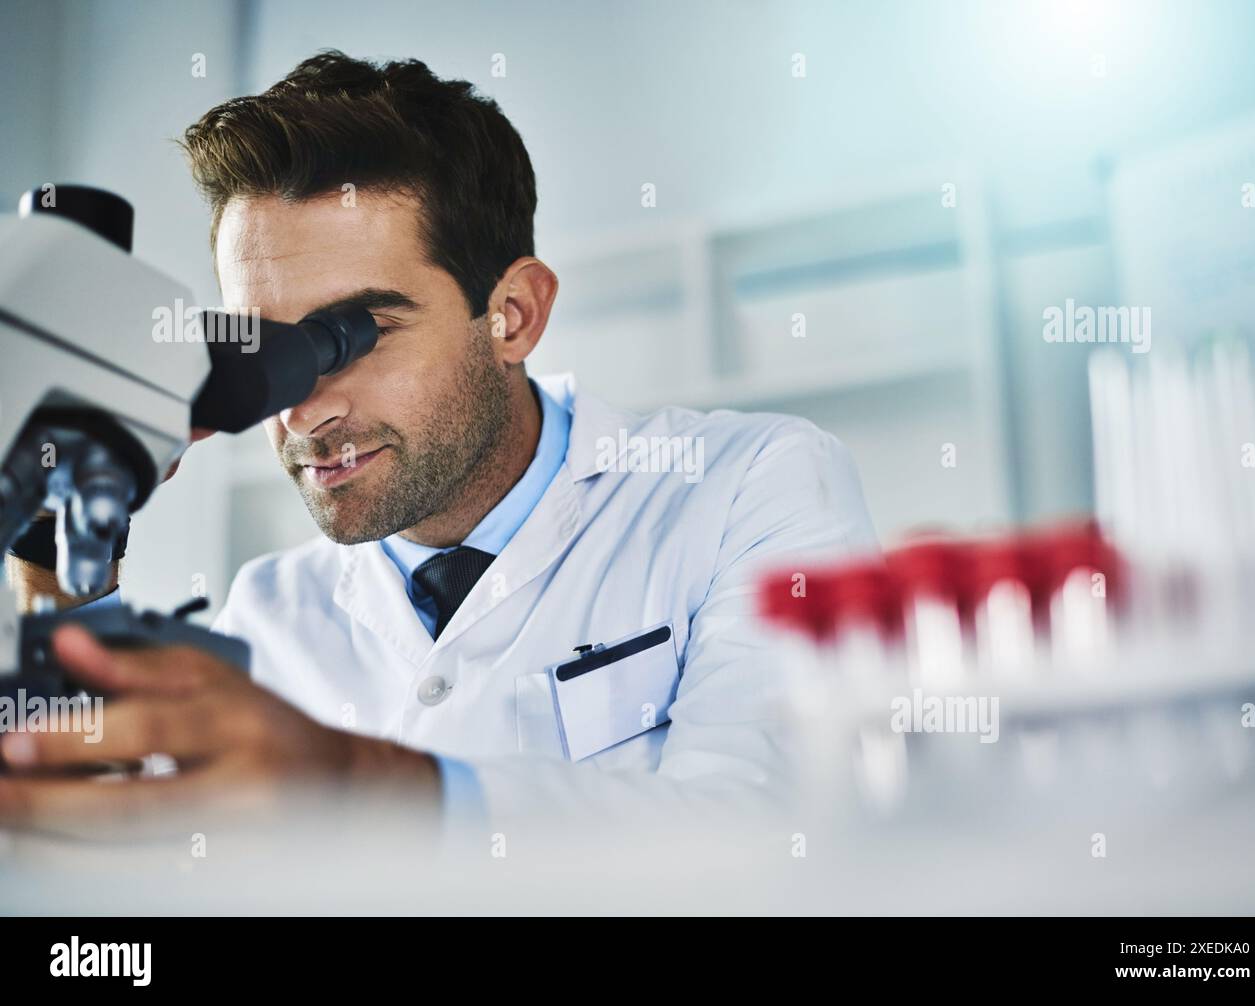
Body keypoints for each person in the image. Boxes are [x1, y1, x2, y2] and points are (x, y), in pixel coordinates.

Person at [0, 51, 873, 839]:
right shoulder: (270, 612)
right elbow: (111, 842)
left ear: (514, 315)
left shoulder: (748, 489)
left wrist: (355, 780)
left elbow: (776, 837)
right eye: (265, 350)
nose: (304, 412)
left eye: (360, 332)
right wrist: (60, 564)